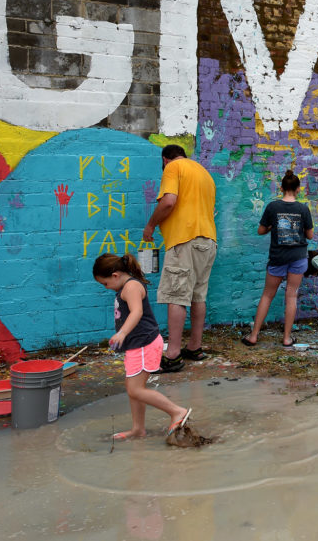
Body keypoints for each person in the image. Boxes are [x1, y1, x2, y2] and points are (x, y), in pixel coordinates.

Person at [93, 253, 191, 440]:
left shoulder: (131, 287)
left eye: (105, 283)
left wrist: (122, 333)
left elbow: (137, 312)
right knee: (133, 389)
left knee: (135, 389)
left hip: (144, 344)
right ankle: (138, 429)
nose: (106, 287)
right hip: (137, 345)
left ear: (115, 275)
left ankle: (177, 411)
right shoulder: (127, 286)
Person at [142, 144, 217, 373]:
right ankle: (194, 347)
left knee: (176, 296)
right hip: (208, 240)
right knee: (198, 295)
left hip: (184, 240)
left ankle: (173, 355)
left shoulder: (173, 167)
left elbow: (168, 201)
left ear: (165, 159)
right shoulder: (204, 173)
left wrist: (150, 225)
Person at [242, 171, 314, 348]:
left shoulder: (272, 207)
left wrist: (272, 227)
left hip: (277, 257)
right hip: (298, 257)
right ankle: (287, 338)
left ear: (281, 188)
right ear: (298, 189)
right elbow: (310, 235)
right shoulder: (303, 209)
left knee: (267, 295)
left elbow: (260, 230)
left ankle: (253, 335)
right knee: (292, 296)